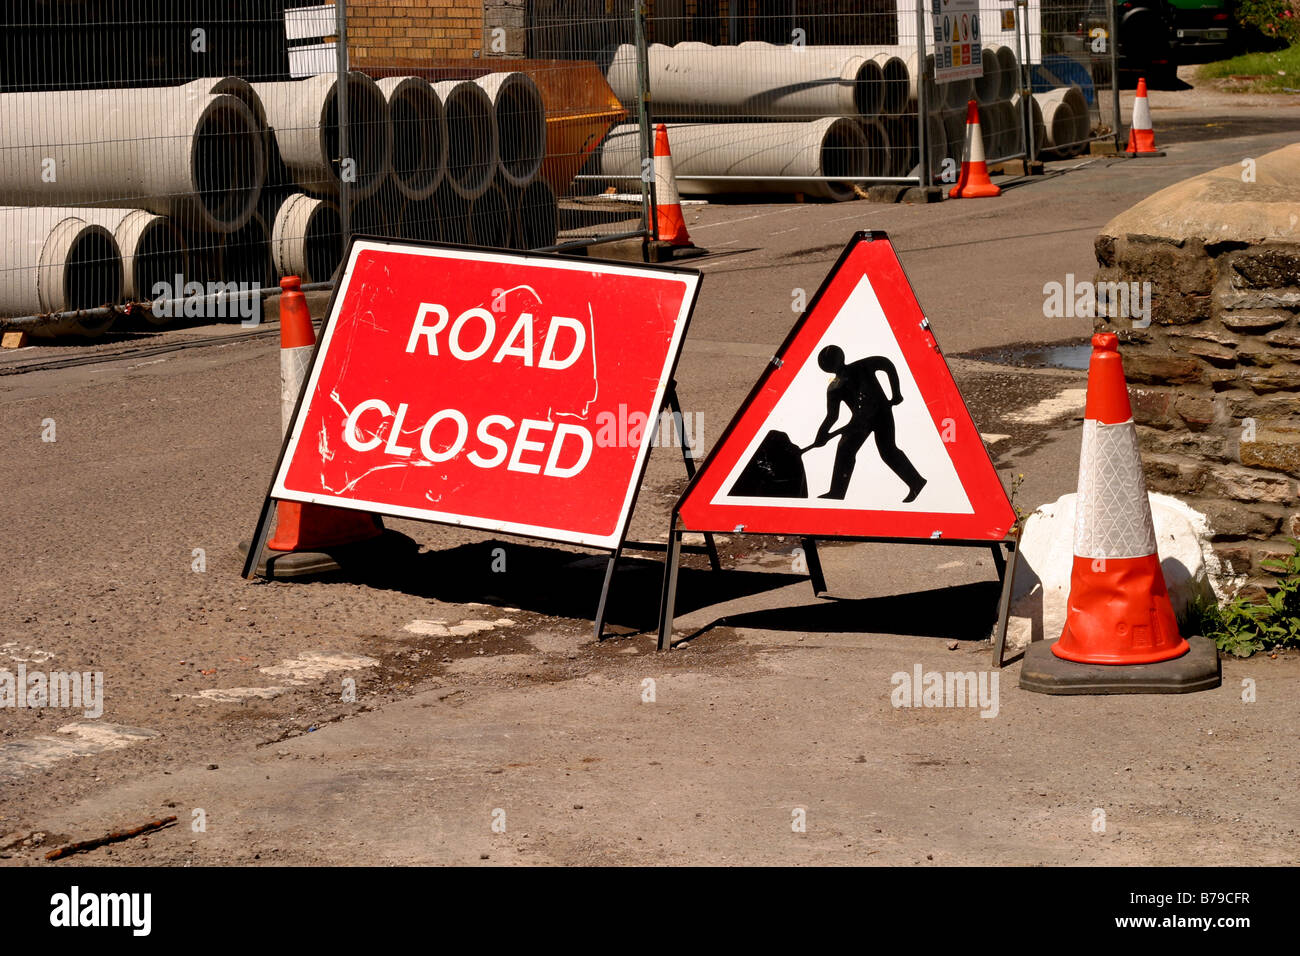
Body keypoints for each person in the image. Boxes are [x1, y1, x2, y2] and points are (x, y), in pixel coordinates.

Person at [807, 345, 927, 502]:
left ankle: (916, 482)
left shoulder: (861, 367)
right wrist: (821, 434)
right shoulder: (834, 387)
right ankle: (836, 492)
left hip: (881, 412)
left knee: (887, 451)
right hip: (860, 421)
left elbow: (886, 364)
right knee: (845, 448)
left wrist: (896, 392)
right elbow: (832, 416)